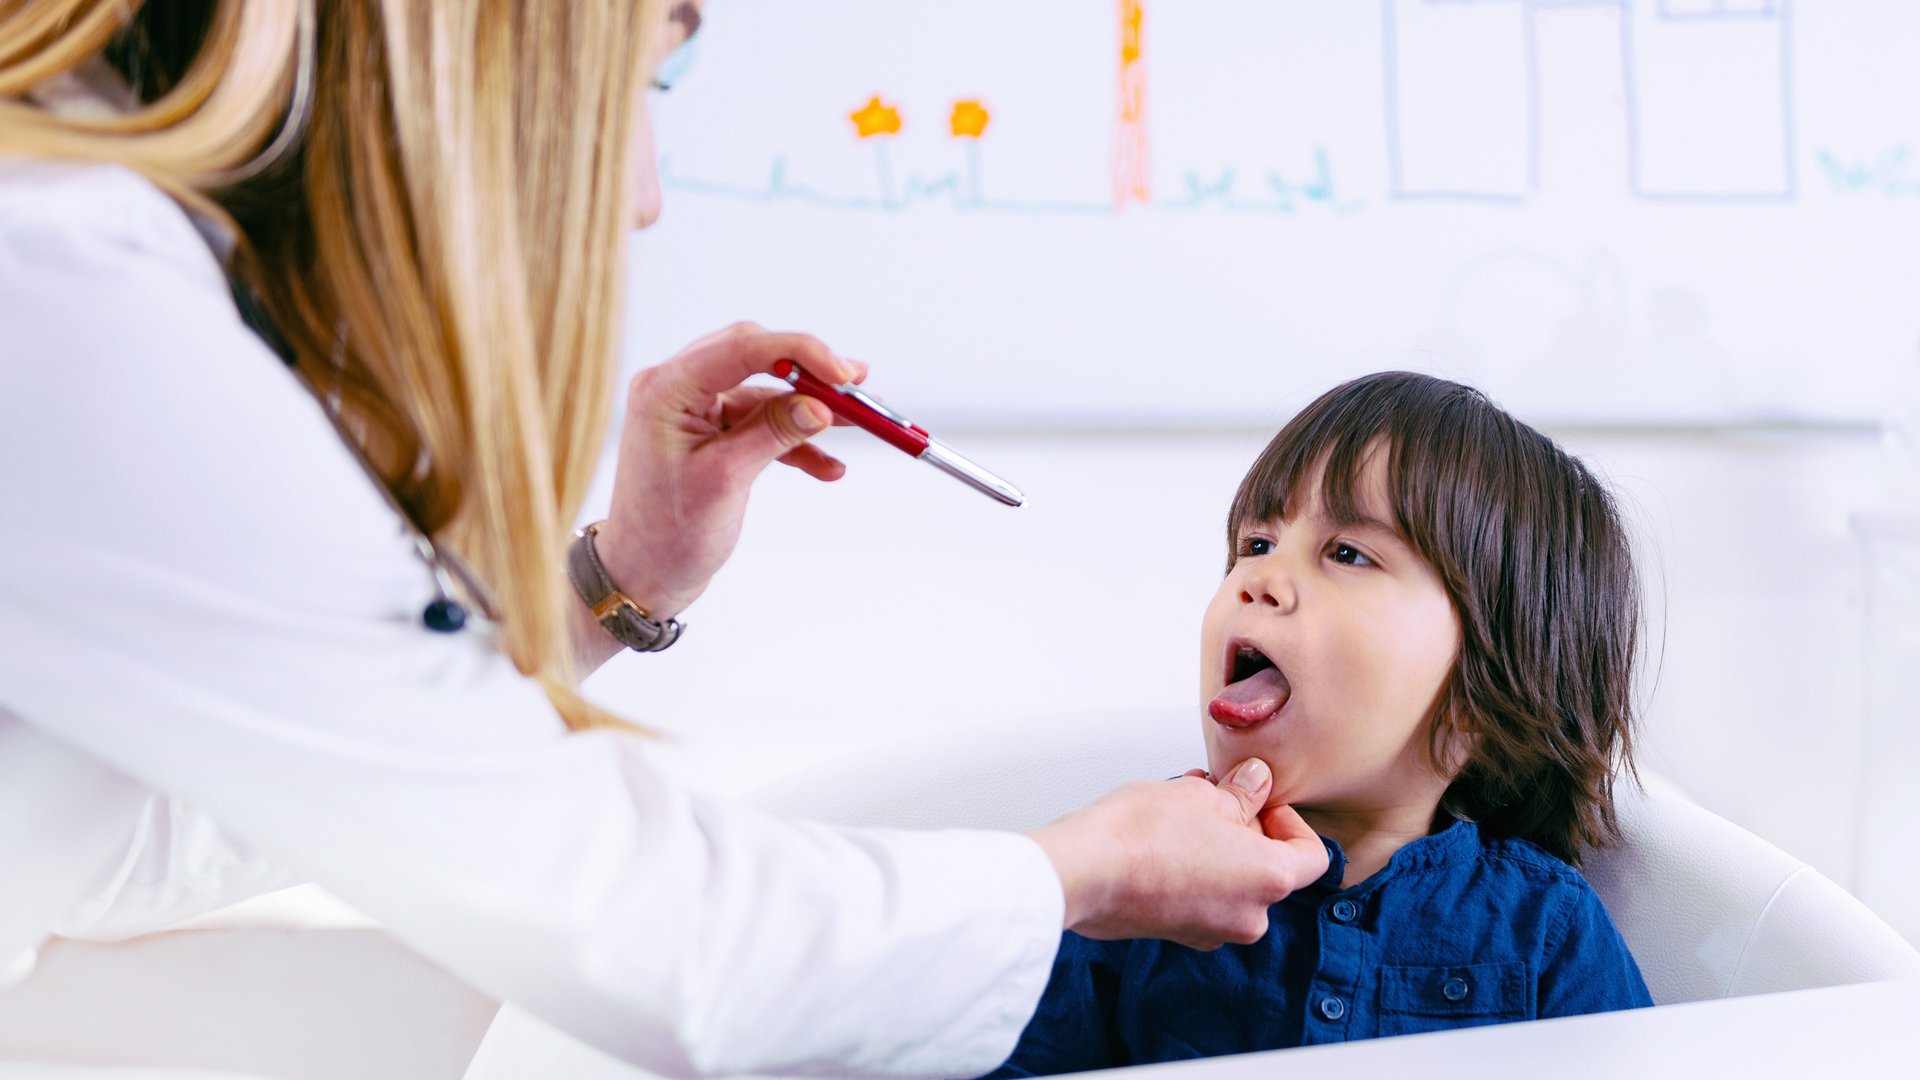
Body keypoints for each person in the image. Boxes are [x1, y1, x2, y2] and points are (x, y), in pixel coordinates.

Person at [0, 1, 1330, 1076]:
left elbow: (107, 823)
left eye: (1351, 555)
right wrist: (1085, 868)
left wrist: (611, 584)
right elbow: (661, 936)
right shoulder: (68, 289)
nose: (640, 193)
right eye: (652, 75)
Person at [986, 372, 1654, 1075]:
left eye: (1347, 554)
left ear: (1479, 695)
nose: (1257, 579)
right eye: (1256, 542)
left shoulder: (1544, 929)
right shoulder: (1145, 886)